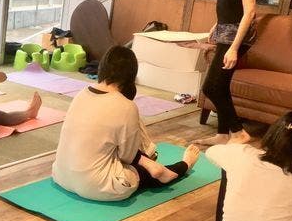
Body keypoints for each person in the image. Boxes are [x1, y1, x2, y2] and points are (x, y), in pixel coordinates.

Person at [53, 46, 200, 201]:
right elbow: (127, 157)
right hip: (97, 186)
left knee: (113, 144)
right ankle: (183, 165)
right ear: (130, 75)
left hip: (61, 175)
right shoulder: (126, 106)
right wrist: (145, 160)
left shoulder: (81, 94)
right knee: (141, 172)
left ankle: (151, 163)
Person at [194, 0, 266, 147]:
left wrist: (234, 48)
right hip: (226, 29)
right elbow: (230, 2)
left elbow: (249, 11)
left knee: (212, 86)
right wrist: (217, 24)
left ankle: (238, 132)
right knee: (220, 85)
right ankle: (223, 134)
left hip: (237, 35)